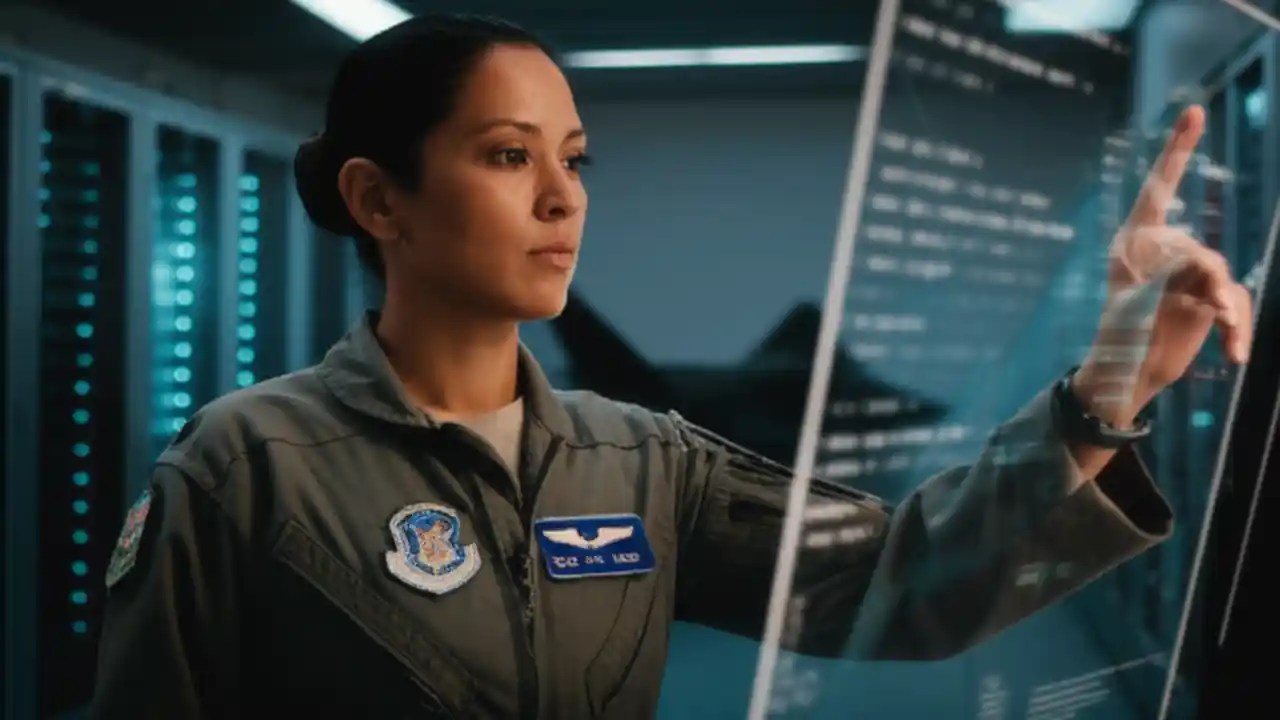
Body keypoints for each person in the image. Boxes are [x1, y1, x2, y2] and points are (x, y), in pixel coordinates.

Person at [90, 12, 1255, 720]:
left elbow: (902, 583)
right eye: (508, 156)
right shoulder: (249, 468)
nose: (563, 197)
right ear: (374, 197)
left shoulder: (637, 460)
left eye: (577, 160)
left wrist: (1112, 388)